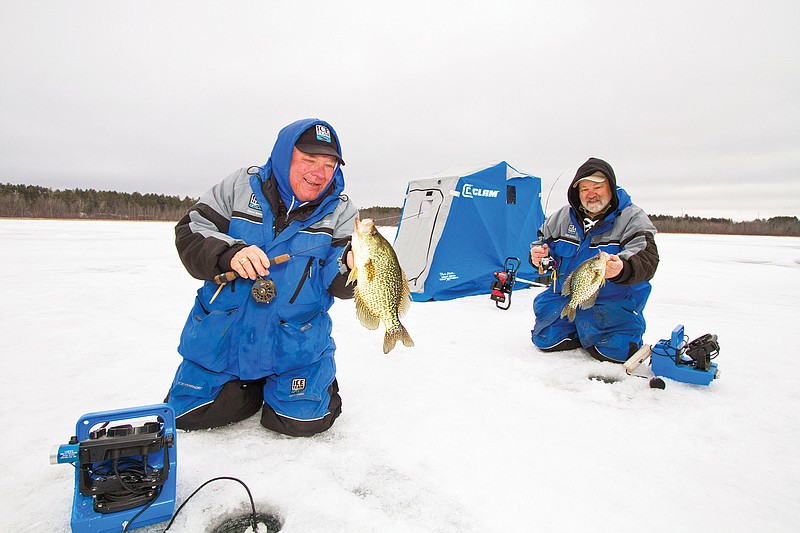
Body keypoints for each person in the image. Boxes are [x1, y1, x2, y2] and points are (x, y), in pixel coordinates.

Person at [165, 118, 357, 437]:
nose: (319, 172)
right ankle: (244, 387)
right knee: (187, 416)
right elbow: (190, 231)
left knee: (303, 423)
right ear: (284, 156)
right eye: (308, 160)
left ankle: (307, 381)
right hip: (222, 340)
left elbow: (339, 284)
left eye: (329, 164)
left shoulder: (342, 211)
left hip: (295, 346)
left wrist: (352, 267)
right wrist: (230, 252)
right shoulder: (239, 187)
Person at [529, 157, 659, 363]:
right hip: (567, 295)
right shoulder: (562, 217)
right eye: (584, 189)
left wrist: (622, 268)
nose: (591, 194)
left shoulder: (632, 217)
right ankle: (576, 328)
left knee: (616, 351)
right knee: (546, 339)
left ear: (611, 187)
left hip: (614, 302)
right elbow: (541, 244)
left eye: (598, 187)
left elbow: (647, 257)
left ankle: (604, 332)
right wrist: (539, 256)